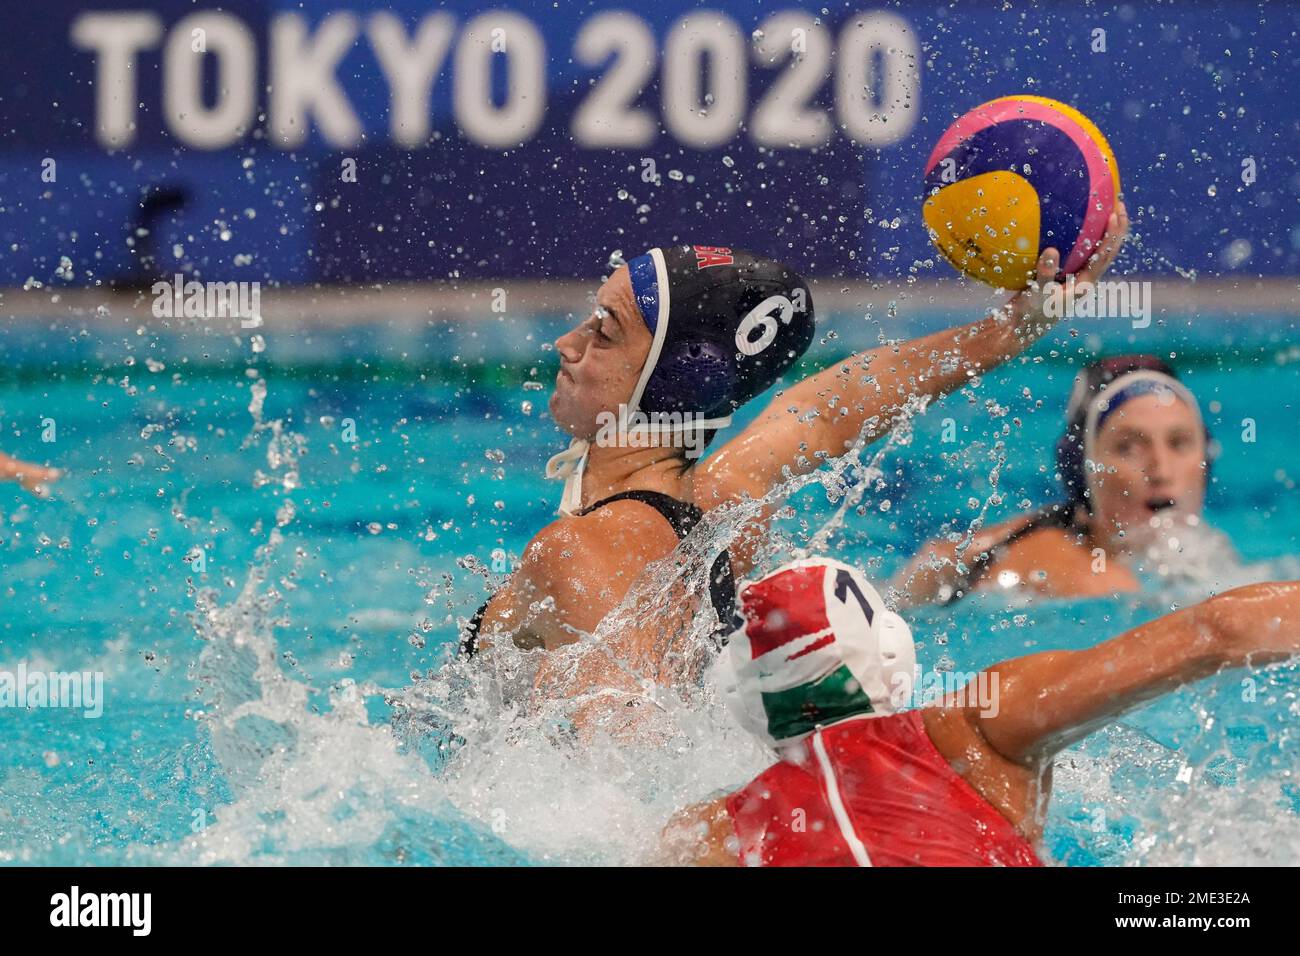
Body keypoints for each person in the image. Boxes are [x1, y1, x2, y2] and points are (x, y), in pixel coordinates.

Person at [464, 207, 1129, 688]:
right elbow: (833, 409)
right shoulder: (720, 510)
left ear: (673, 380)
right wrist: (1007, 332)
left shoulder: (584, 553)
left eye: (605, 332)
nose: (568, 344)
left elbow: (626, 778)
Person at [660, 557, 1300, 866]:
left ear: (747, 706)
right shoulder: (973, 727)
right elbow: (1219, 630)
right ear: (894, 653)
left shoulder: (709, 834)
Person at [895, 354, 1214, 605]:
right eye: (1128, 447)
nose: (1162, 470)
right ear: (1081, 472)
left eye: (1179, 443)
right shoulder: (1093, 581)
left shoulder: (1204, 552)